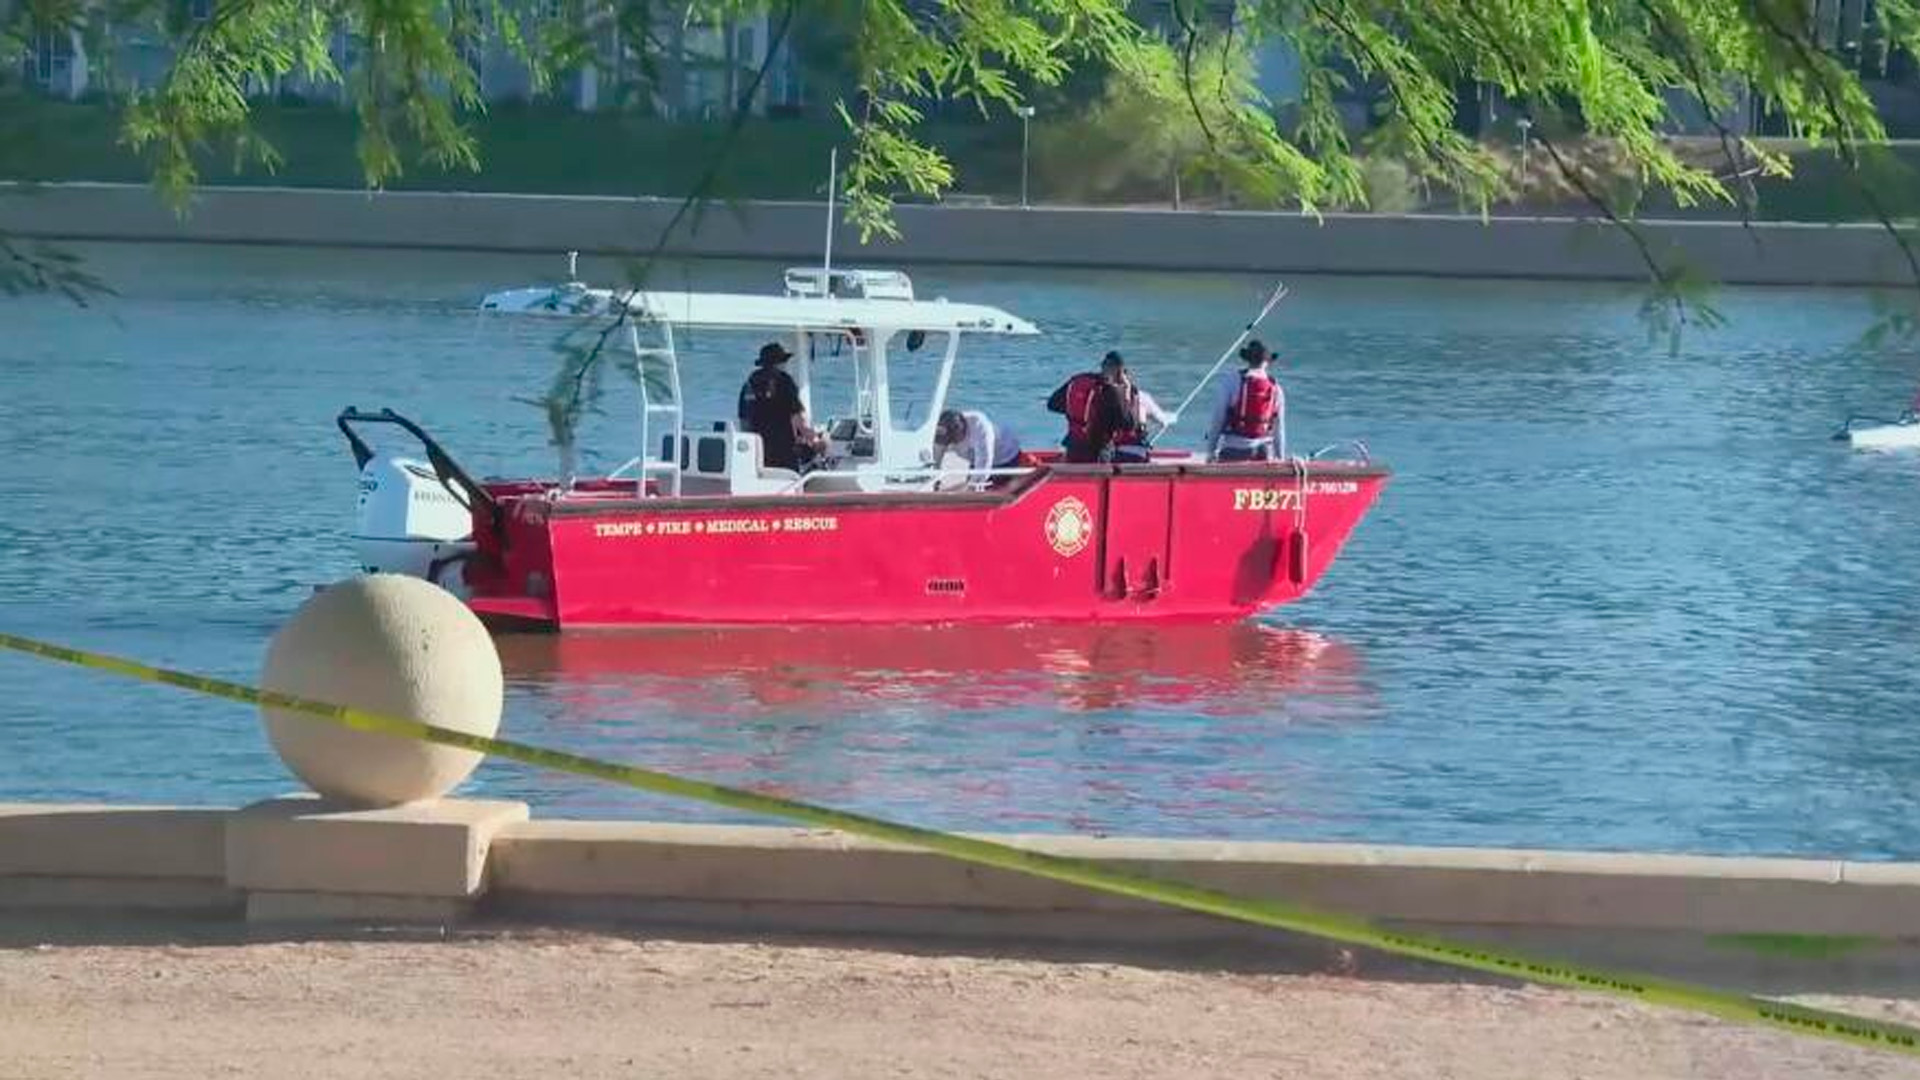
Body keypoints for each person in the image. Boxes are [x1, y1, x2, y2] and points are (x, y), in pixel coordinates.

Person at [737, 341, 823, 472]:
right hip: (783, 450)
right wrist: (815, 440)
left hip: (758, 451)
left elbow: (744, 422)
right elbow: (797, 417)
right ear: (779, 363)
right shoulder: (784, 381)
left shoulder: (749, 384)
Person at [1047, 351, 1140, 463]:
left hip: (1073, 447)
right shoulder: (1114, 391)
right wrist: (1127, 392)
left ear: (1102, 366)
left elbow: (1052, 404)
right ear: (1120, 371)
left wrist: (1078, 413)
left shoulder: (1077, 381)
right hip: (1099, 452)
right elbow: (1129, 425)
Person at [1201, 338, 1282, 462]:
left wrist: (1210, 452)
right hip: (1263, 452)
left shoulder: (1231, 381)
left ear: (1247, 360)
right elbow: (1279, 430)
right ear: (1267, 362)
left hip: (1234, 450)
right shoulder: (1276, 387)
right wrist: (1280, 458)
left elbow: (1217, 420)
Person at [933, 409, 1023, 489]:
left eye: (952, 441)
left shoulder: (979, 427)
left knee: (991, 487)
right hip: (974, 457)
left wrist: (971, 487)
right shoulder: (941, 432)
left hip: (1005, 456)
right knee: (970, 484)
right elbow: (935, 460)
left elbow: (983, 468)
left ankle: (1020, 476)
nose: (951, 444)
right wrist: (935, 480)